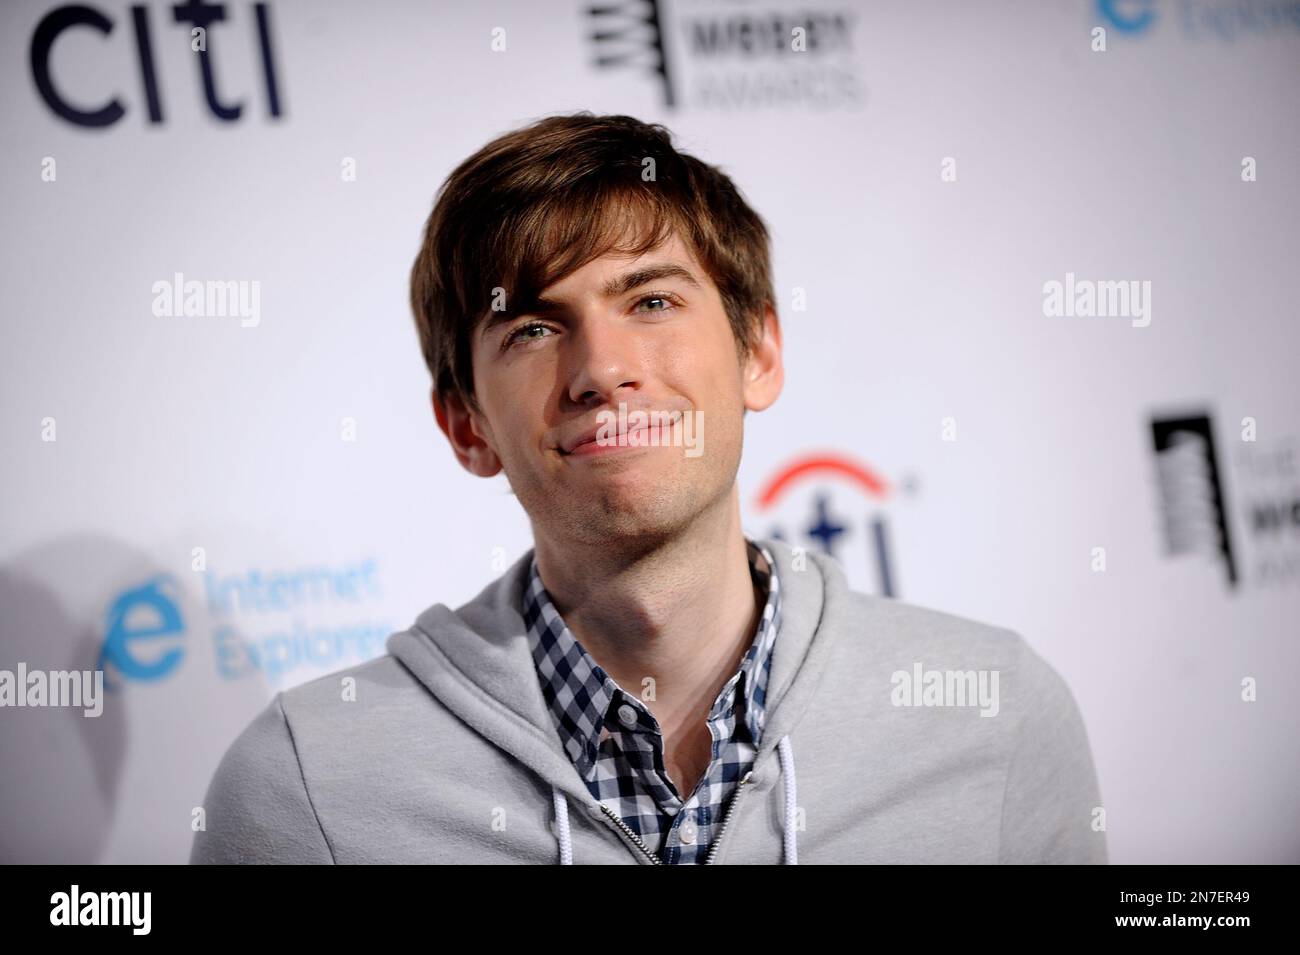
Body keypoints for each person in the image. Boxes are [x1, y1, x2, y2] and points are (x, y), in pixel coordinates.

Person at [190, 112, 1107, 865]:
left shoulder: (995, 715)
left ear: (759, 351)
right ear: (466, 426)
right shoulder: (309, 788)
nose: (604, 368)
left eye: (652, 300)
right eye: (535, 328)